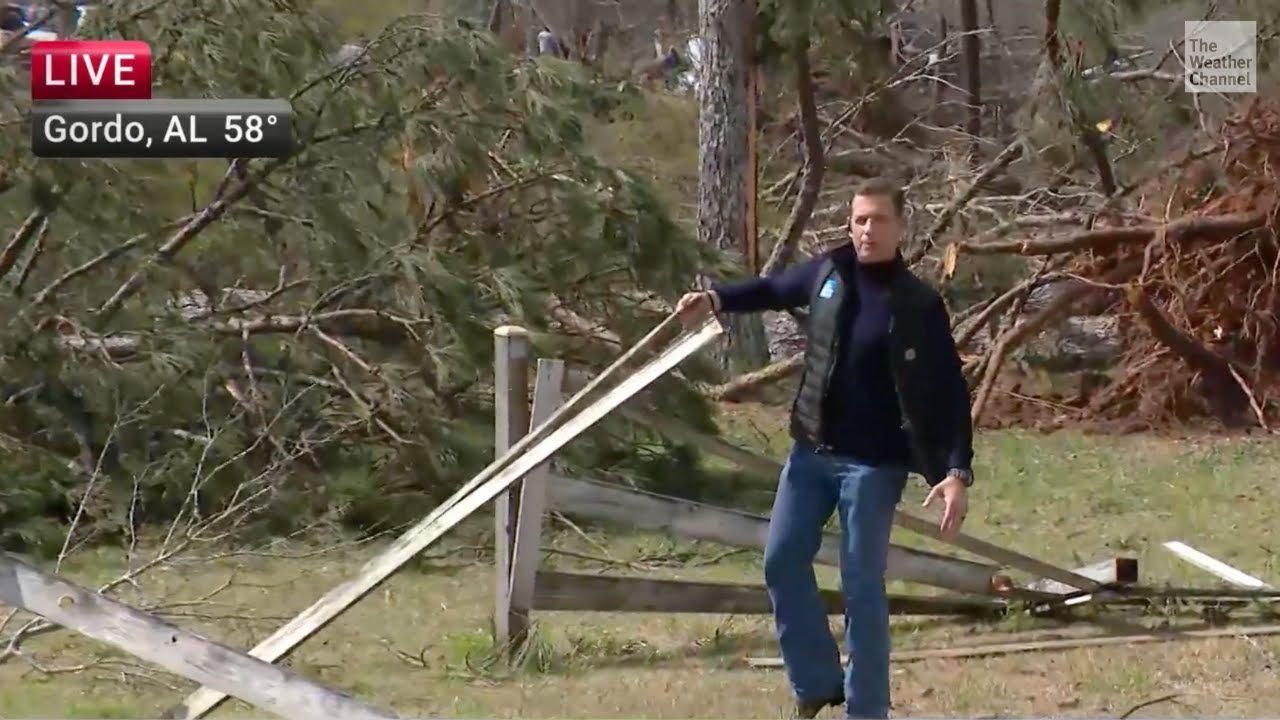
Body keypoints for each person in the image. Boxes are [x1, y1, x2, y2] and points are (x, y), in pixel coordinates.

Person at [676, 177, 974, 719]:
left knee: (862, 585)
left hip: (875, 465)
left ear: (901, 227)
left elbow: (952, 390)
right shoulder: (827, 273)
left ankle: (866, 710)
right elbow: (770, 290)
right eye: (860, 219)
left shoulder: (918, 304)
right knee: (781, 559)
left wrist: (956, 471)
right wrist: (717, 298)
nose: (867, 230)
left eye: (879, 220)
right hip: (811, 453)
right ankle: (815, 682)